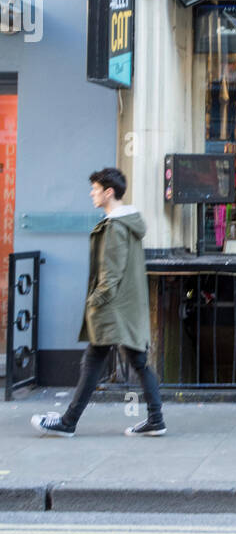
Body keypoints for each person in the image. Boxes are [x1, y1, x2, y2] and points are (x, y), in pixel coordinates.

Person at [30, 168, 166, 438]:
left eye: (95, 189)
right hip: (125, 306)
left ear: (109, 192)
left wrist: (95, 301)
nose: (91, 193)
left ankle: (68, 422)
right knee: (137, 361)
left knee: (94, 361)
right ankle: (155, 420)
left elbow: (111, 274)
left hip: (113, 307)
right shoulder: (125, 223)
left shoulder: (115, 227)